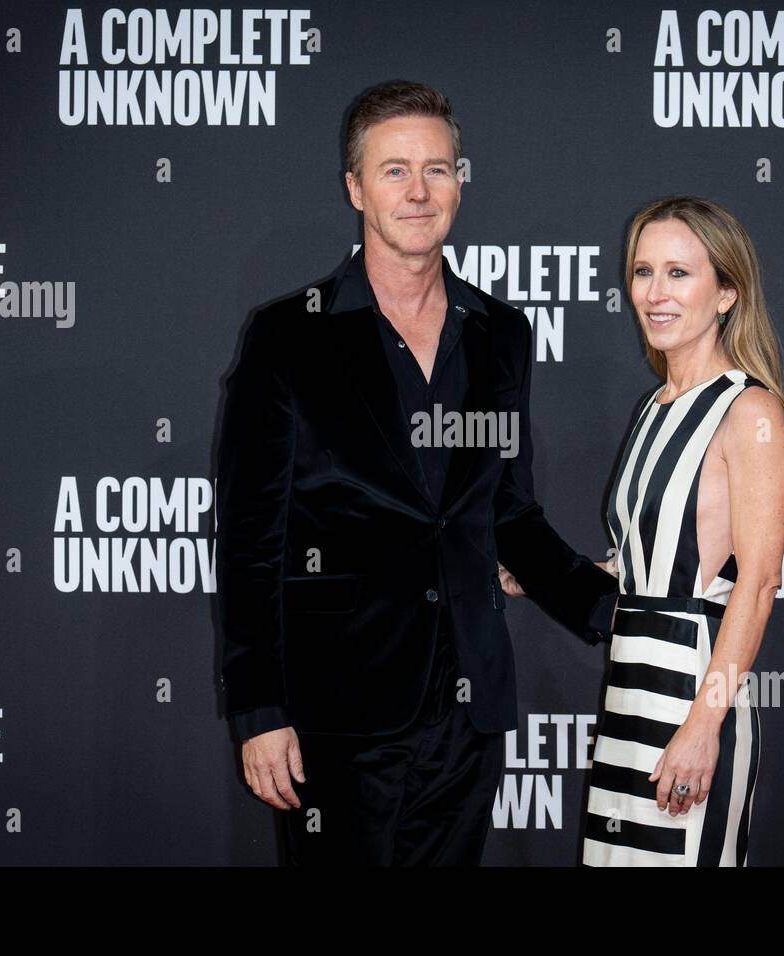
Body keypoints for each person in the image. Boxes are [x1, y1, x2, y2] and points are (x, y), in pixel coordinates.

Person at [214, 80, 619, 866]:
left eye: (438, 169)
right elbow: (252, 542)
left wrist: (612, 610)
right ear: (355, 187)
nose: (419, 190)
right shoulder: (288, 338)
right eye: (394, 170)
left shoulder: (499, 332)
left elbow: (510, 512)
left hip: (466, 705)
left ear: (461, 183)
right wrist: (260, 708)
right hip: (336, 711)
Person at [576, 196, 784, 866]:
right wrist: (533, 577)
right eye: (644, 272)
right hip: (628, 697)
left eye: (679, 273)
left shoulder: (750, 410)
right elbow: (641, 569)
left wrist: (704, 725)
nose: (655, 293)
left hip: (689, 696)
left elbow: (758, 583)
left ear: (727, 292)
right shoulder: (653, 407)